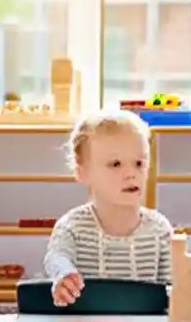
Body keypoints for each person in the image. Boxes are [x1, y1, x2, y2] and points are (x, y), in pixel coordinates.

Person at [46, 109, 173, 306]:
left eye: (139, 163)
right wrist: (64, 275)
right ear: (82, 173)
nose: (131, 173)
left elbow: (173, 289)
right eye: (115, 164)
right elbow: (57, 257)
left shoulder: (160, 229)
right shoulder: (71, 227)